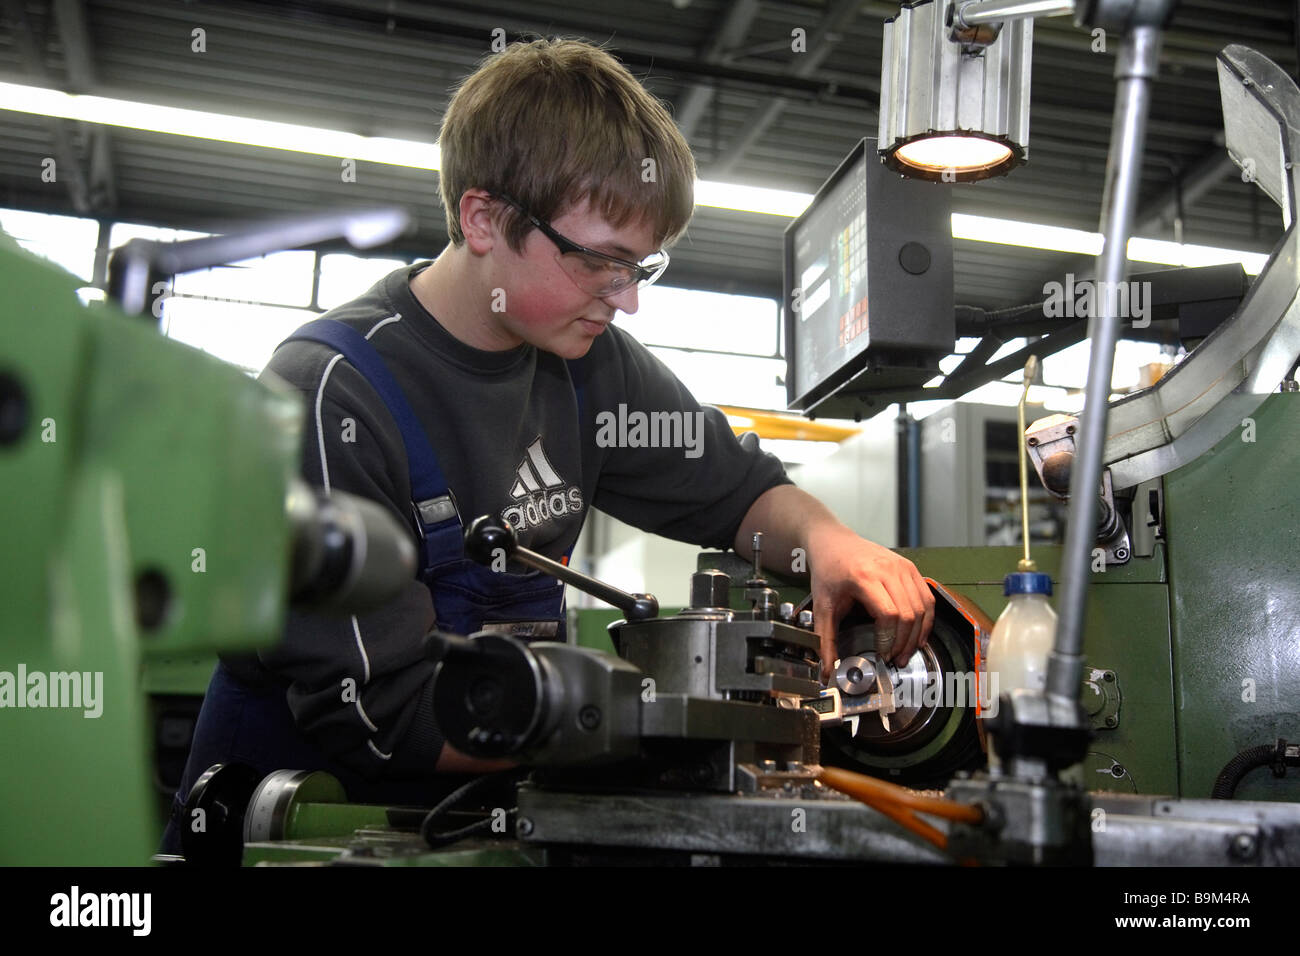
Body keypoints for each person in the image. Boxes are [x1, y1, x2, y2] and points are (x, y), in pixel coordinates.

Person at [162, 37, 933, 851]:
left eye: (643, 267)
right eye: (603, 262)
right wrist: (651, 733)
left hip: (488, 814)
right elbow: (387, 720)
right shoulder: (330, 392)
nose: (628, 302)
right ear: (485, 219)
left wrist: (829, 542)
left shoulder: (589, 365)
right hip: (303, 821)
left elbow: (738, 493)